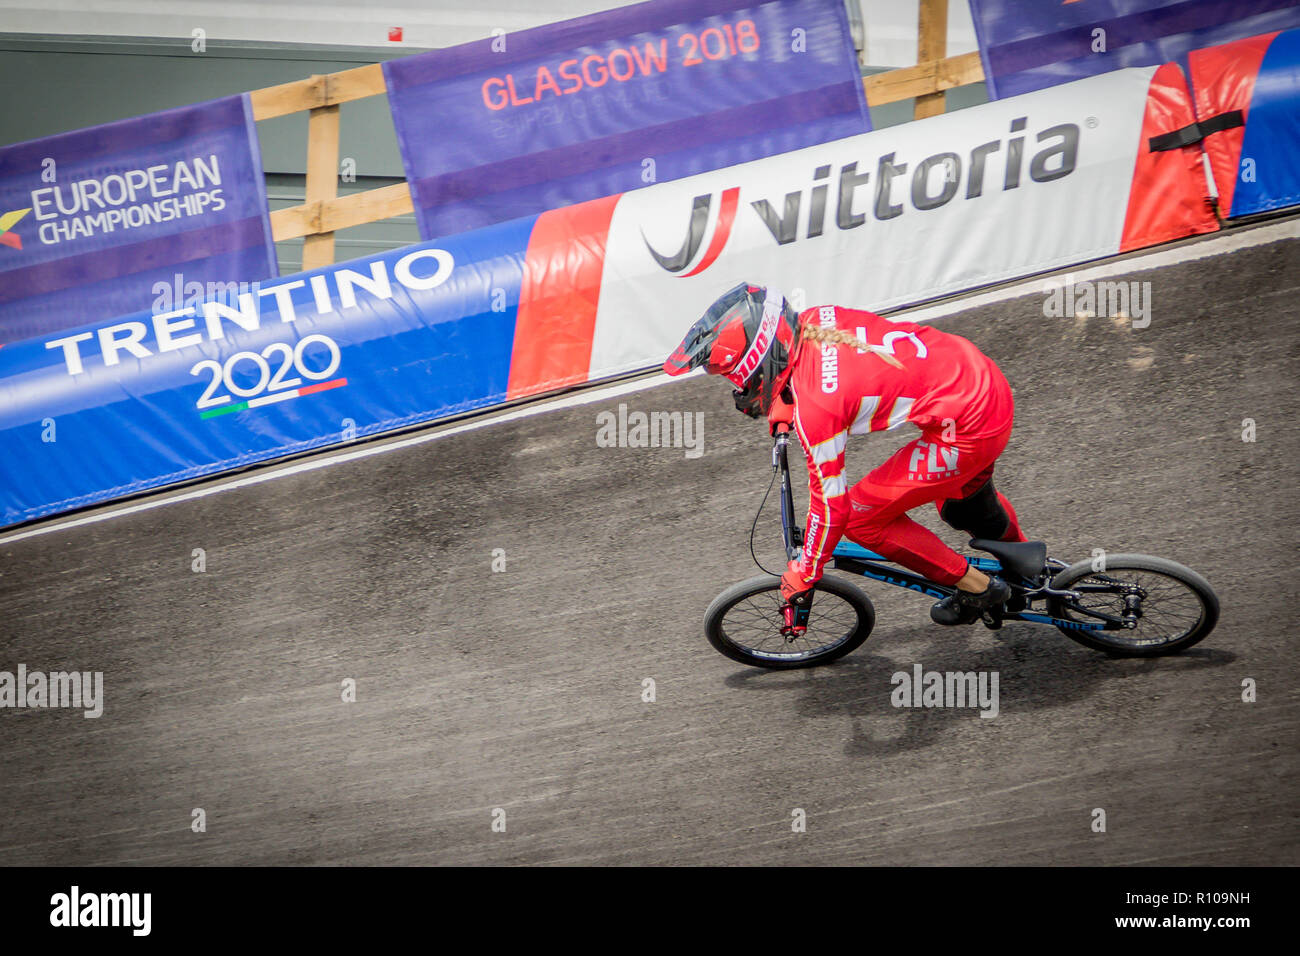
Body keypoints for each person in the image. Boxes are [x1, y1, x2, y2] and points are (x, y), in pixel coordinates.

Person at [663, 282, 1028, 625]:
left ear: (761, 359)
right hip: (974, 375)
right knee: (964, 506)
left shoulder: (818, 412)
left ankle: (980, 590)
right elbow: (820, 373)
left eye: (735, 376)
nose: (738, 386)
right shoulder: (816, 320)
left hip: (969, 426)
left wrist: (805, 571)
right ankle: (1023, 566)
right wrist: (785, 404)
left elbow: (832, 509)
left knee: (861, 519)